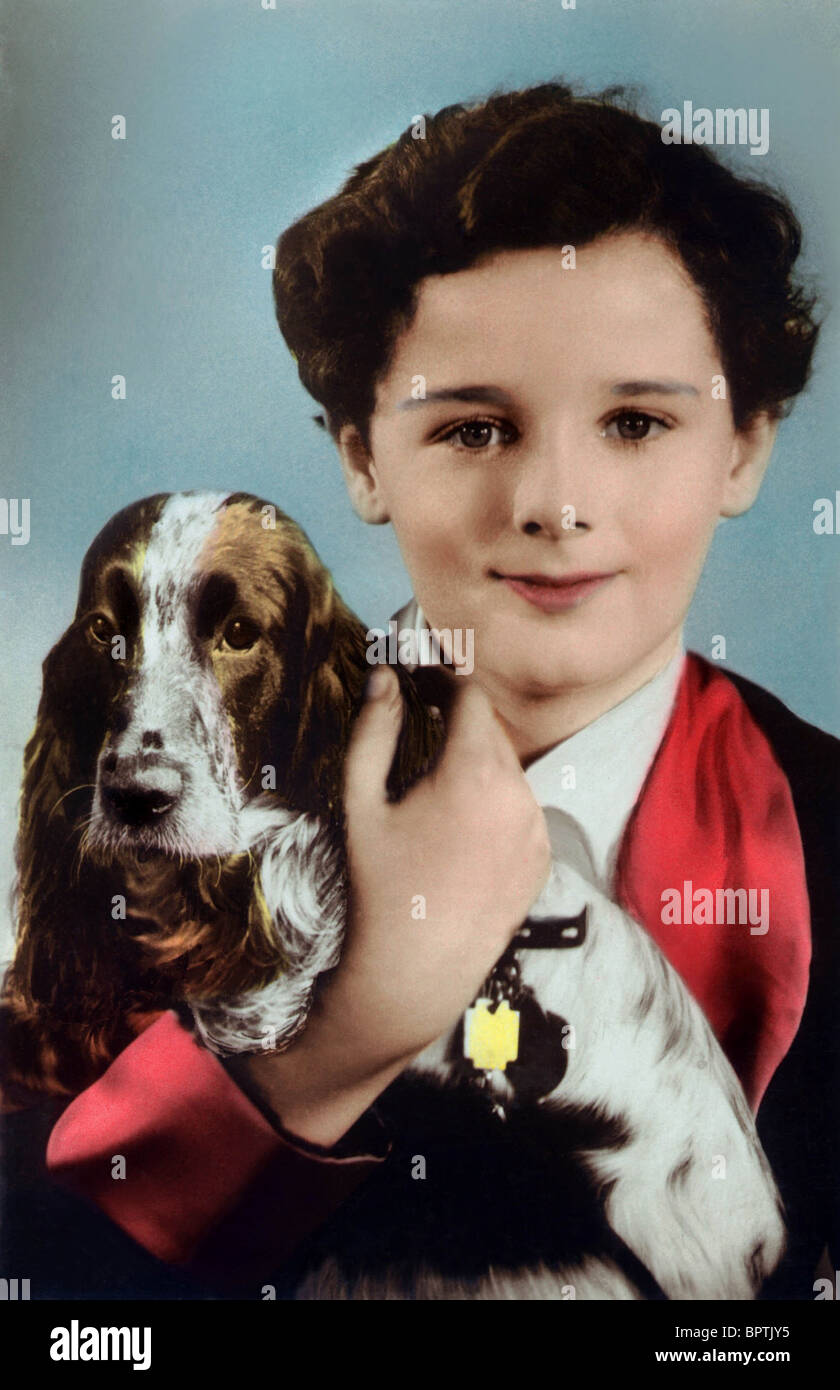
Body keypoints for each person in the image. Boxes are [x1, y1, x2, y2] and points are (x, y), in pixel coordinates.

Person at [3, 81, 837, 1300]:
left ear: (746, 445)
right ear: (361, 455)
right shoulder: (166, 797)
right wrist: (345, 1034)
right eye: (473, 430)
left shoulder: (823, 820)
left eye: (635, 422)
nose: (553, 504)